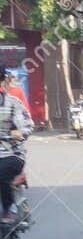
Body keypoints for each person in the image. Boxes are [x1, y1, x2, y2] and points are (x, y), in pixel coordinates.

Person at [0, 75, 31, 227]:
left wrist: (19, 132)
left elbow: (26, 126)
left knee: (1, 173)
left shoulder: (12, 103)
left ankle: (8, 208)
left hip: (11, 153)